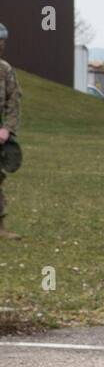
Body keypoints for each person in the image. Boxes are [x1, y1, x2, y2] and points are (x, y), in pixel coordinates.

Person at [0, 23, 20, 240]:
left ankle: (0, 227)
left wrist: (7, 129)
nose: (1, 46)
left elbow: (13, 103)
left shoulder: (5, 70)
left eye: (3, 42)